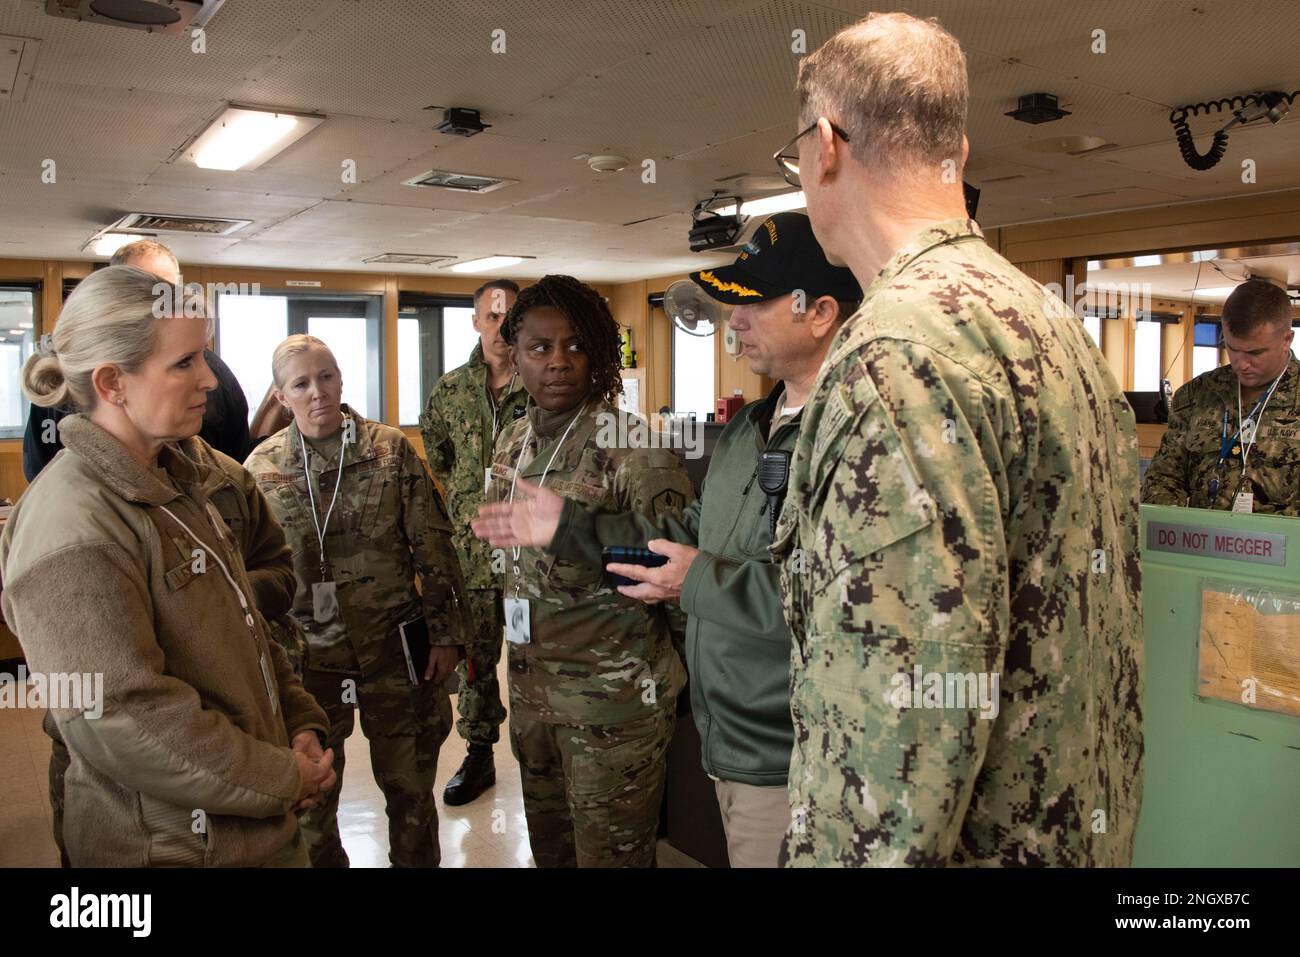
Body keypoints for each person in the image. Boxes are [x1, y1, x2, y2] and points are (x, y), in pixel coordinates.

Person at [774, 11, 1144, 866]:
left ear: (824, 146)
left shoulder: (898, 351)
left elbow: (896, 744)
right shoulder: (1050, 323)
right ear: (959, 153)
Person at [473, 214, 860, 867]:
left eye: (751, 303)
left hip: (802, 744)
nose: (731, 321)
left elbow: (851, 607)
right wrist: (568, 526)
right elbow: (681, 535)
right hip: (732, 734)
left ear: (818, 312)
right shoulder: (749, 432)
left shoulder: (857, 434)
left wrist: (692, 590)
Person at [0, 266, 335, 867]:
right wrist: (282, 776)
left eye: (203, 356)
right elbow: (126, 719)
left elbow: (243, 629)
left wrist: (299, 722)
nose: (209, 378)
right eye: (184, 363)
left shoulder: (179, 483)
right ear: (113, 383)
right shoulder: (73, 526)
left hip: (250, 830)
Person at [472, 275, 695, 867]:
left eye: (575, 345)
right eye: (540, 348)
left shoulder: (631, 444)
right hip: (532, 694)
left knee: (611, 859)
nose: (559, 363)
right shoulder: (513, 441)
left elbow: (671, 562)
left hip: (612, 706)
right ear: (513, 356)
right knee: (552, 852)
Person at [245, 335, 469, 868]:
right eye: (301, 383)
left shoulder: (388, 450)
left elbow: (433, 548)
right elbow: (253, 575)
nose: (318, 392)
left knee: (410, 790)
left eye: (327, 377)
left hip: (395, 649)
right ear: (282, 396)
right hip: (309, 661)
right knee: (313, 799)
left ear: (342, 380)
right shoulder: (260, 469)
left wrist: (446, 634)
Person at [419, 278, 527, 806]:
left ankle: (544, 754)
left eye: (510, 319)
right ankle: (479, 753)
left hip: (531, 556)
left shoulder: (544, 388)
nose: (501, 329)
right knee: (479, 661)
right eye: (492, 317)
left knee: (536, 655)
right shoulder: (451, 390)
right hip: (472, 554)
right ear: (477, 322)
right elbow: (438, 458)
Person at [22, 239, 251, 480]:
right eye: (138, 290)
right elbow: (39, 470)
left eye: (165, 291)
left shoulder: (219, 378)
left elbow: (234, 475)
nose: (158, 304)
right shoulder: (63, 378)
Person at [1143, 279, 1300, 513]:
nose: (1242, 364)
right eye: (1232, 349)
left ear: (1286, 339)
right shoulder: (1197, 394)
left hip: (1282, 545)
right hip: (1198, 542)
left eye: (1255, 352)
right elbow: (1163, 478)